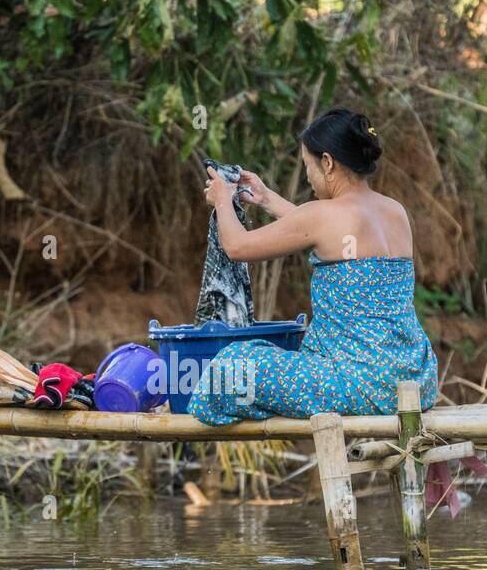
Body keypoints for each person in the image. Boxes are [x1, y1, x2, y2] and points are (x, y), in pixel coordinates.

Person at [188, 108, 440, 425]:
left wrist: (223, 200)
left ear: (328, 162)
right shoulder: (395, 211)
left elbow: (237, 247)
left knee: (230, 366)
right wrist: (265, 198)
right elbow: (324, 232)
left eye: (308, 165)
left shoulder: (322, 215)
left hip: (363, 384)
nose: (307, 176)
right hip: (417, 380)